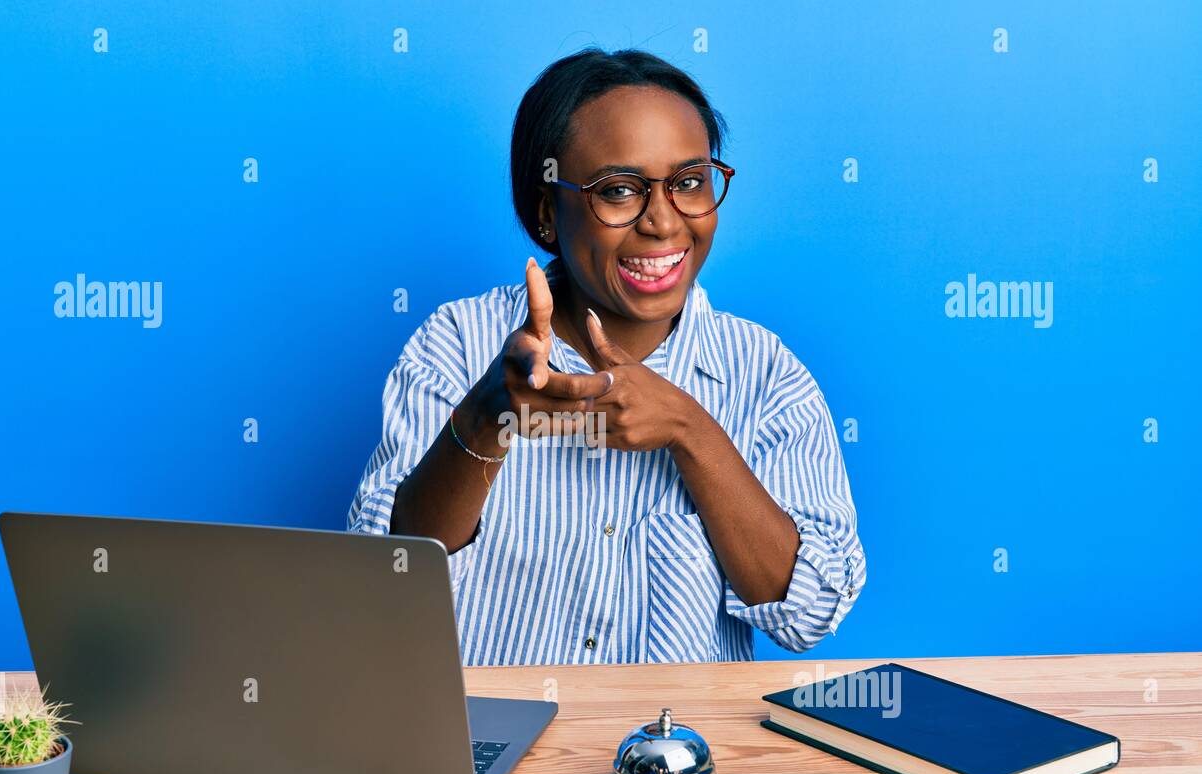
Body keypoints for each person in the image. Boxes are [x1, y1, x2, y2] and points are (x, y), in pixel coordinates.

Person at [348, 48, 866, 665]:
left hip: (678, 751)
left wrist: (689, 429)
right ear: (546, 213)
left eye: (690, 183)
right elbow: (386, 582)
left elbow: (811, 614)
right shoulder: (457, 342)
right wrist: (487, 419)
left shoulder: (765, 373)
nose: (663, 223)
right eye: (618, 191)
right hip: (485, 745)